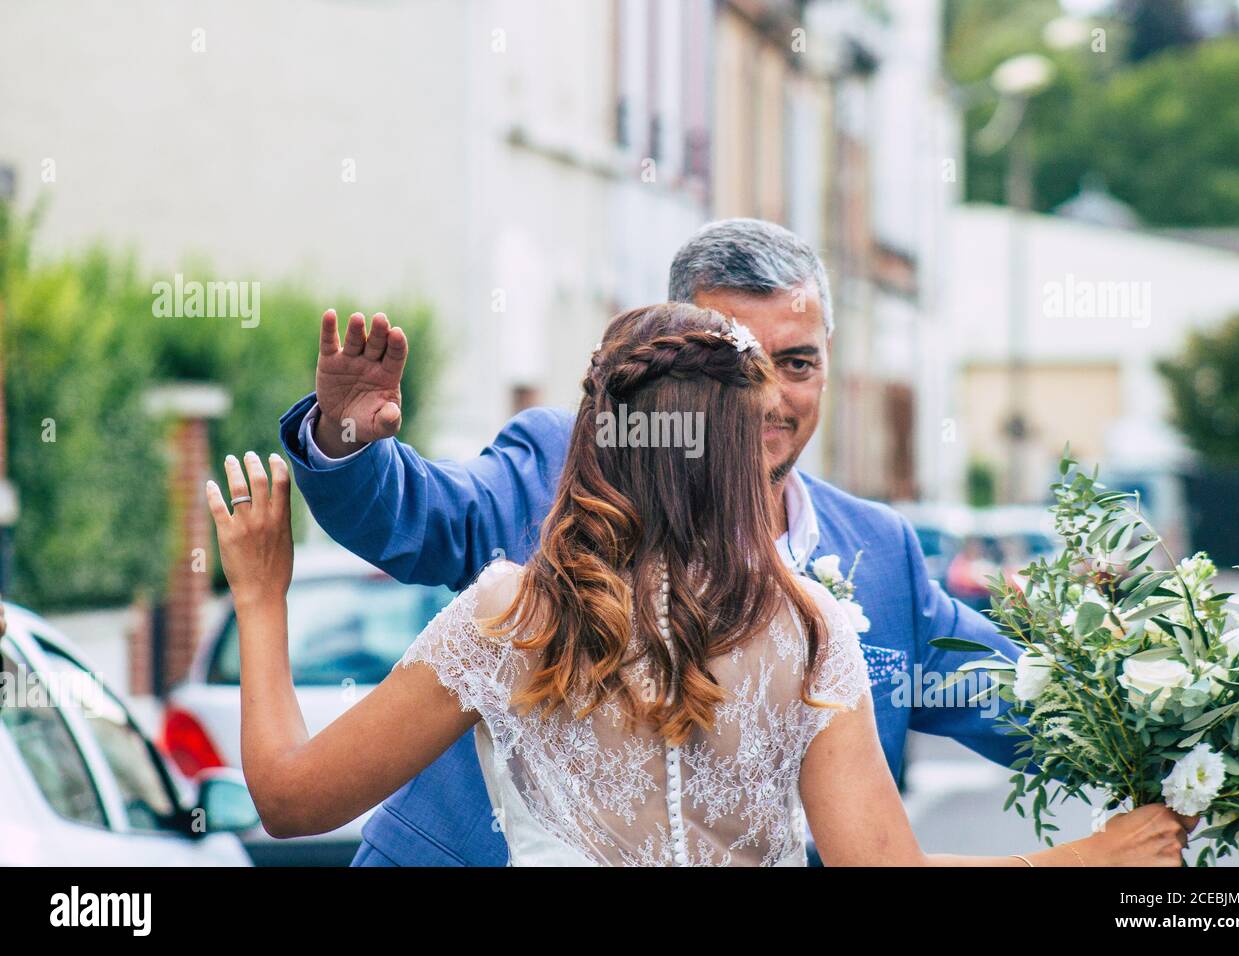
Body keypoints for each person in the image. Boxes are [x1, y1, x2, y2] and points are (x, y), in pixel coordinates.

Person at [275, 218, 1169, 866]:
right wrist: (349, 446)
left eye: (800, 362)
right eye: (743, 361)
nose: (772, 398)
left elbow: (1012, 699)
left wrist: (1197, 729)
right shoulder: (559, 461)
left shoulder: (878, 555)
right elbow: (413, 518)